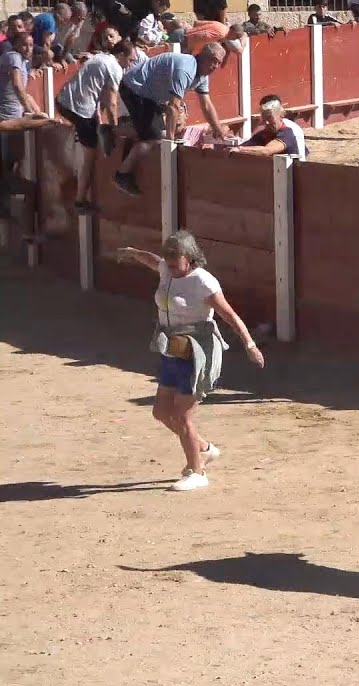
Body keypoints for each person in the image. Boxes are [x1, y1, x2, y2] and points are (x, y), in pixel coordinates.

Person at [111, 230, 265, 492]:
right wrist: (133, 253)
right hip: (172, 347)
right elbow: (152, 261)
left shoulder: (203, 282)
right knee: (161, 411)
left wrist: (250, 345)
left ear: (190, 258)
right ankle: (204, 449)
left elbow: (230, 315)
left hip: (197, 351)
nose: (169, 267)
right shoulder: (166, 269)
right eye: (167, 262)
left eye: (175, 262)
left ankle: (198, 471)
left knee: (182, 415)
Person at [113, 43, 229, 197]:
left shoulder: (201, 76)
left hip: (149, 95)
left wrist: (218, 129)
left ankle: (109, 130)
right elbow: (174, 106)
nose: (215, 66)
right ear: (203, 57)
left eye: (219, 62)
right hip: (135, 88)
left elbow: (206, 104)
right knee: (152, 138)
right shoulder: (186, 69)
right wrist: (170, 140)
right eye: (213, 61)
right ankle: (122, 175)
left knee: (153, 133)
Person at [55, 39, 134, 215]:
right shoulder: (114, 67)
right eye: (130, 60)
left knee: (91, 134)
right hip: (79, 110)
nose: (130, 63)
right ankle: (80, 200)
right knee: (90, 154)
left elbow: (95, 92)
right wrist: (114, 129)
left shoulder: (100, 58)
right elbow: (112, 102)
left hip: (63, 101)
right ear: (121, 55)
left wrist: (97, 119)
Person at [0, 32, 44, 219]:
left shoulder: (22, 62)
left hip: (13, 119)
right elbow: (18, 87)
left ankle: (3, 208)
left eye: (31, 45)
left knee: (10, 166)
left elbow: (26, 93)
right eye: (24, 45)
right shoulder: (13, 57)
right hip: (5, 121)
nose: (28, 48)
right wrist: (32, 112)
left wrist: (38, 112)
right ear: (16, 45)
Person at [230, 94, 307, 159]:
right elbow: (244, 146)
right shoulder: (262, 134)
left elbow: (267, 150)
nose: (266, 122)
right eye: (264, 118)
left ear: (282, 115)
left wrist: (240, 149)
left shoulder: (287, 133)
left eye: (270, 117)